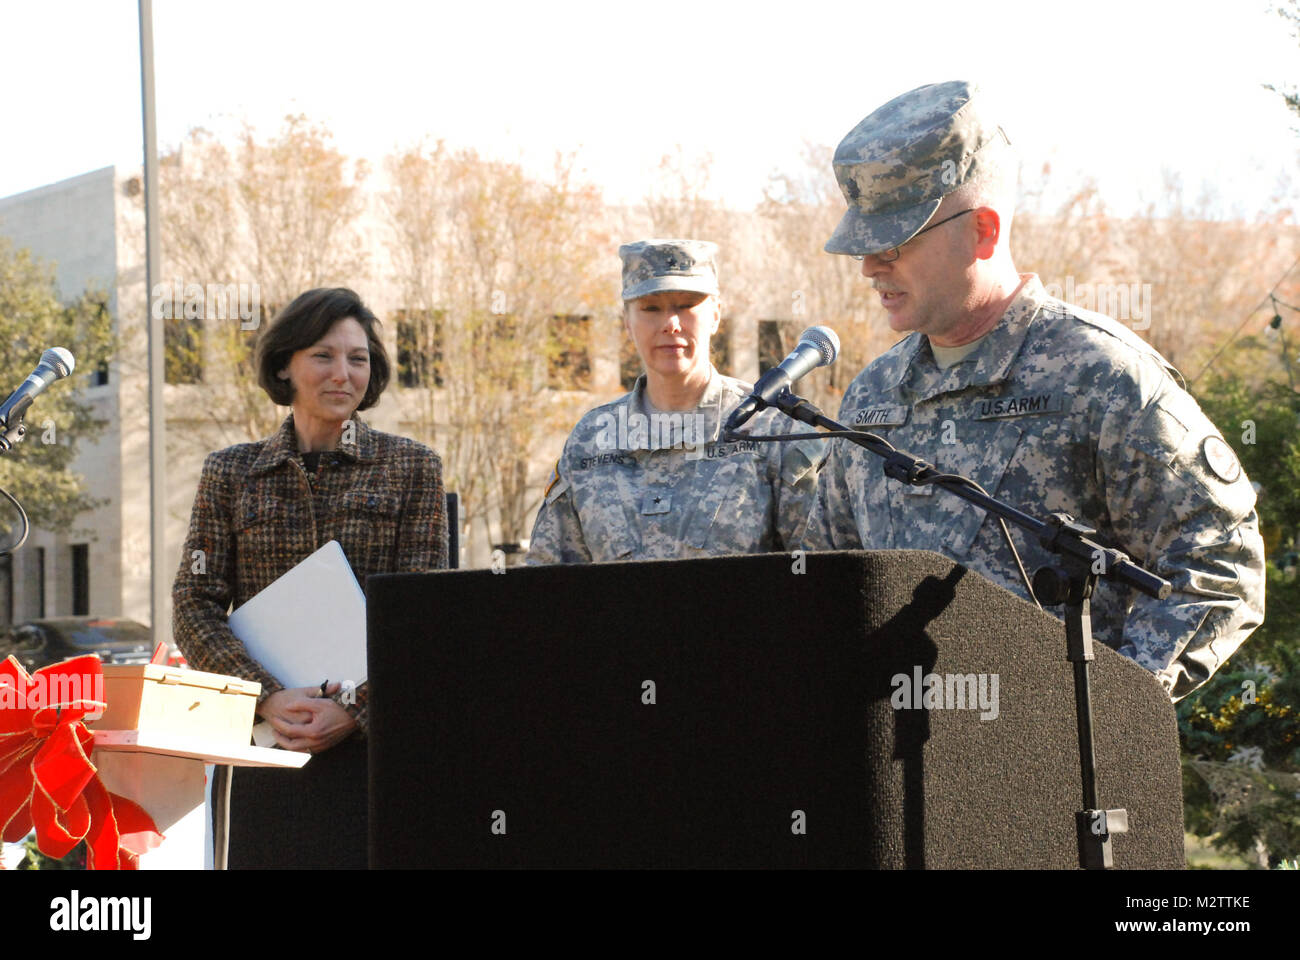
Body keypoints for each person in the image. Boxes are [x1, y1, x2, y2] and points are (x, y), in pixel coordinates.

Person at [802, 81, 1265, 701]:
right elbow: (829, 578)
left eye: (895, 242)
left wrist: (1102, 717)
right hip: (901, 776)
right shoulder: (872, 396)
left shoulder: (1100, 377)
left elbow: (1219, 566)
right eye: (865, 246)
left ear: (983, 232)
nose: (869, 267)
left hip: (1052, 788)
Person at [172, 286, 448, 867]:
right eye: (323, 355)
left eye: (358, 358)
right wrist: (266, 697)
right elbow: (195, 604)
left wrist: (356, 708)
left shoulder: (412, 467)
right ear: (284, 365)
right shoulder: (231, 473)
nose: (343, 373)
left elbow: (427, 616)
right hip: (264, 748)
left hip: (375, 753)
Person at [527, 239, 824, 564]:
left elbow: (815, 570)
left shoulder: (771, 429)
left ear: (715, 315)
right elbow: (548, 580)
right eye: (651, 308)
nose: (670, 323)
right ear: (627, 322)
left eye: (685, 306)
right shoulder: (591, 439)